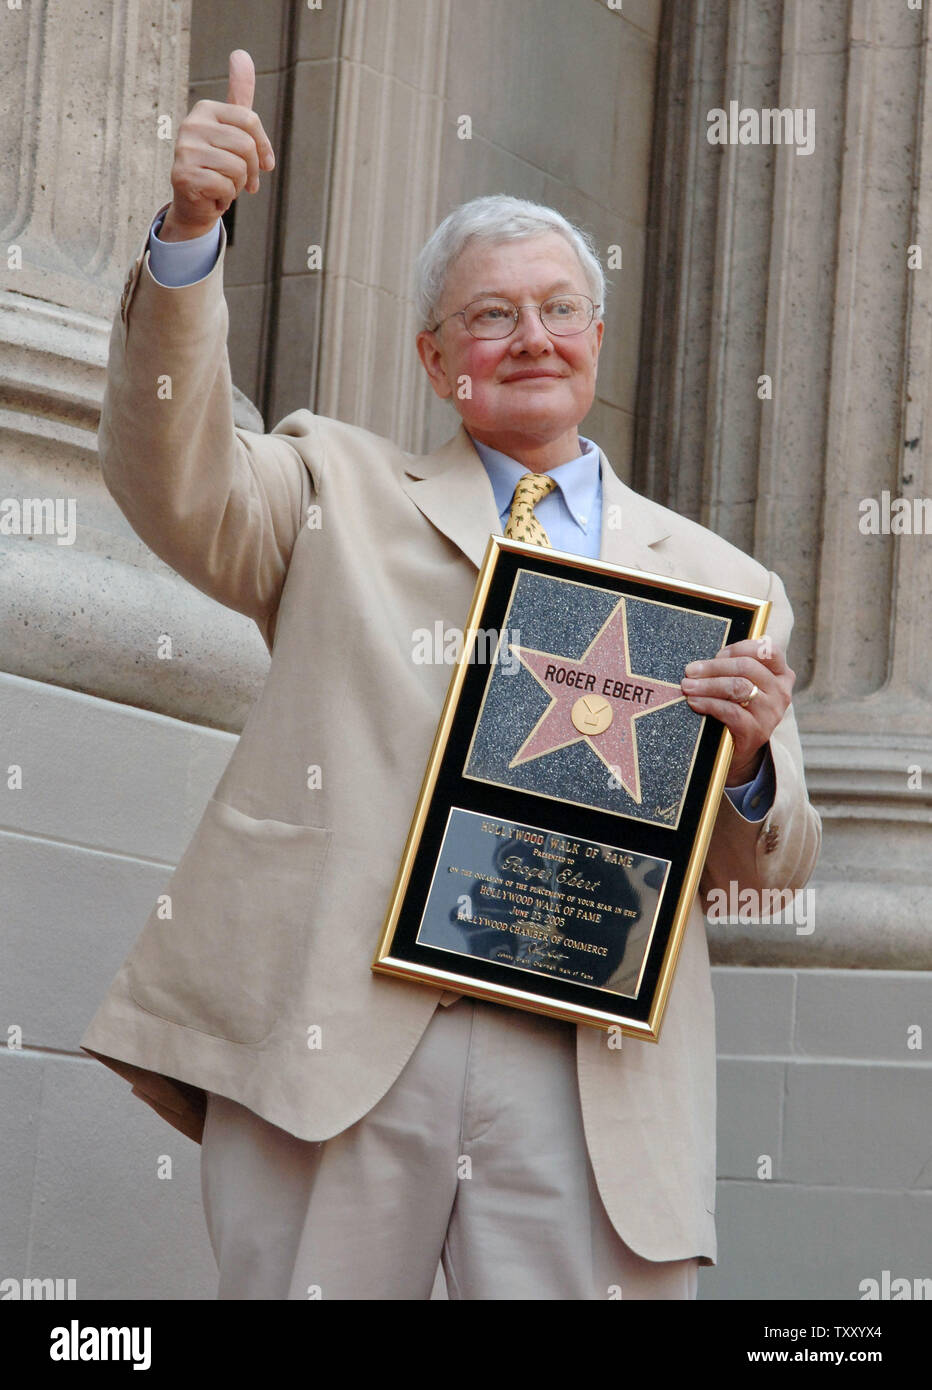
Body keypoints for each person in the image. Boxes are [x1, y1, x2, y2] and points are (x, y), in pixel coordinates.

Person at [82, 50, 821, 1300]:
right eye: (489, 315)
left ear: (595, 336)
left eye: (557, 309)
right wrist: (188, 241)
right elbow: (175, 475)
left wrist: (746, 768)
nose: (530, 336)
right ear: (435, 361)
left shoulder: (721, 581)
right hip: (345, 1035)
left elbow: (766, 865)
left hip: (583, 1061)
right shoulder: (335, 485)